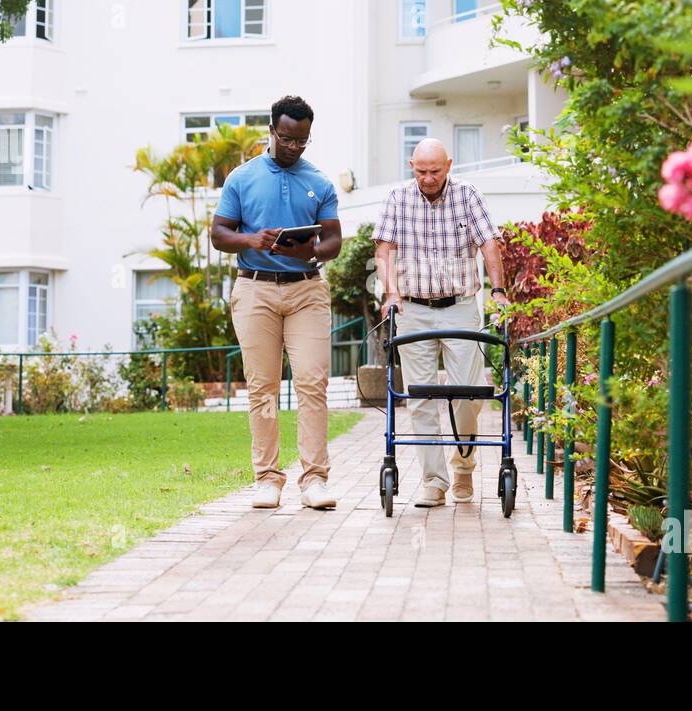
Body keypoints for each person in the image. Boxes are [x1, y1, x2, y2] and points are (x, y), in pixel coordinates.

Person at [211, 95, 342, 509]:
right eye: (286, 139)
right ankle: (268, 478)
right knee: (262, 386)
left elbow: (334, 239)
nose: (293, 148)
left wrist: (313, 252)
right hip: (254, 288)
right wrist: (251, 239)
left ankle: (315, 479)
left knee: (312, 382)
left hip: (306, 289)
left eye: (301, 141)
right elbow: (218, 234)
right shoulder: (241, 178)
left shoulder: (319, 182)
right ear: (271, 131)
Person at [372, 138, 510, 507]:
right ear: (410, 165)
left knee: (469, 392)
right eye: (421, 171)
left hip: (460, 306)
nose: (428, 178)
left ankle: (463, 469)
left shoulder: (469, 196)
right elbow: (384, 251)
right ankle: (434, 482)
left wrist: (497, 291)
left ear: (449, 165)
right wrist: (391, 295)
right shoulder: (398, 199)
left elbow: (489, 244)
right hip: (413, 310)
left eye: (435, 171)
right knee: (419, 397)